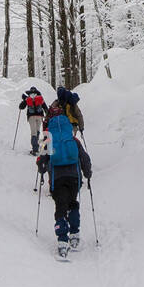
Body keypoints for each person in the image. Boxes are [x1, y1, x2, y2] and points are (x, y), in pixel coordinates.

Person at [37, 101, 92, 259]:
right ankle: (74, 233)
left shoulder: (49, 140)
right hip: (74, 177)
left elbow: (42, 161)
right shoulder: (73, 140)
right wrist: (87, 173)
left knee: (60, 206)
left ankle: (62, 239)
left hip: (57, 178)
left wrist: (41, 170)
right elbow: (84, 158)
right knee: (72, 203)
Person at [18, 86, 48, 156]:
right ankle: (36, 147)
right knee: (37, 131)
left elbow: (21, 107)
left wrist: (22, 103)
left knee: (33, 132)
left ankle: (35, 150)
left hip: (31, 117)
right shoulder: (40, 97)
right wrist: (48, 114)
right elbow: (45, 107)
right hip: (39, 116)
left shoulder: (28, 98)